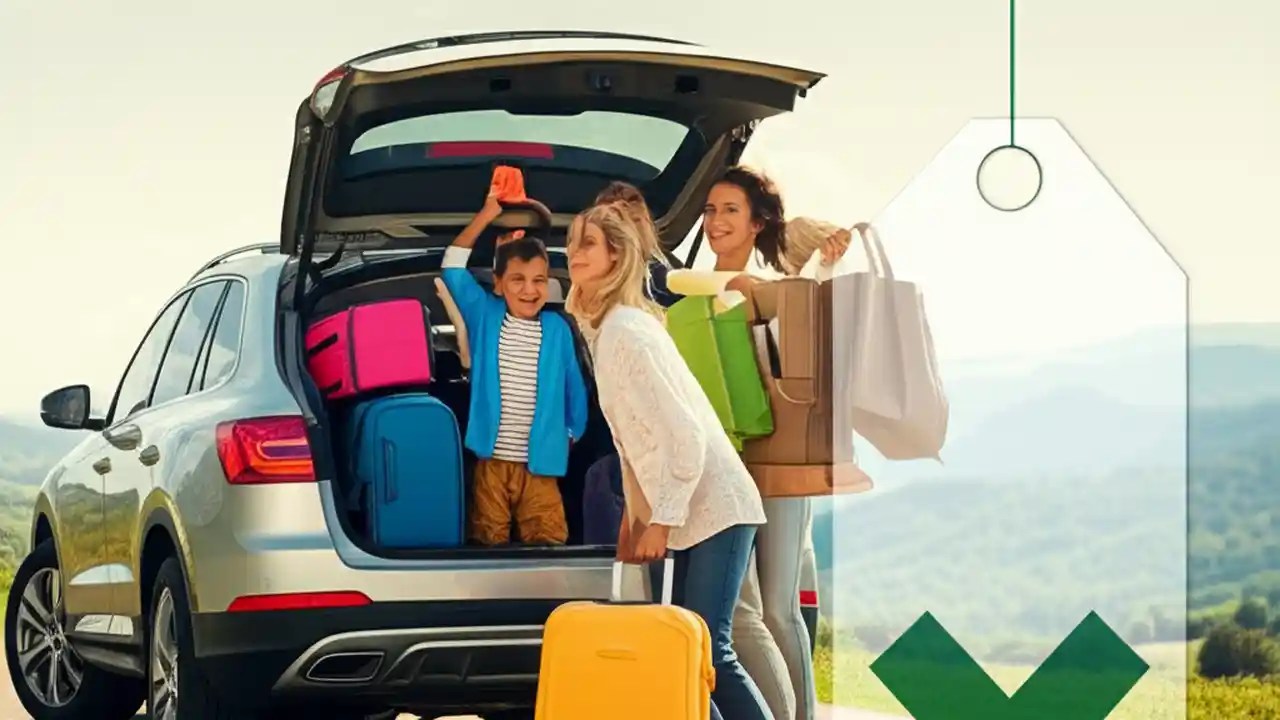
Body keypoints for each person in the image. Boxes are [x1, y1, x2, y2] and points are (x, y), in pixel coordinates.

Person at [566, 201, 773, 720]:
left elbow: (686, 435)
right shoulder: (606, 330)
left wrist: (661, 520)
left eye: (587, 243)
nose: (573, 253)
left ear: (617, 256)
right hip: (684, 508)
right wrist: (634, 520)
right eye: (571, 243)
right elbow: (632, 444)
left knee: (707, 649)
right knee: (680, 650)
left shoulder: (628, 332)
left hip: (717, 504)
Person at [703, 165, 854, 720]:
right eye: (710, 210)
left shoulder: (776, 287)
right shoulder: (689, 290)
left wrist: (823, 253)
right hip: (725, 463)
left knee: (778, 608)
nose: (715, 221)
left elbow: (807, 352)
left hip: (781, 458)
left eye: (730, 210)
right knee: (741, 617)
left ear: (757, 222)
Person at [440, 188, 589, 546]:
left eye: (538, 280)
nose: (529, 290)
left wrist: (572, 432)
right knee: (487, 539)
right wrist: (487, 214)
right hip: (491, 462)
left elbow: (574, 387)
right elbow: (453, 266)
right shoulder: (485, 315)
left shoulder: (557, 329)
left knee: (549, 540)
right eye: (517, 280)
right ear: (498, 284)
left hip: (541, 466)